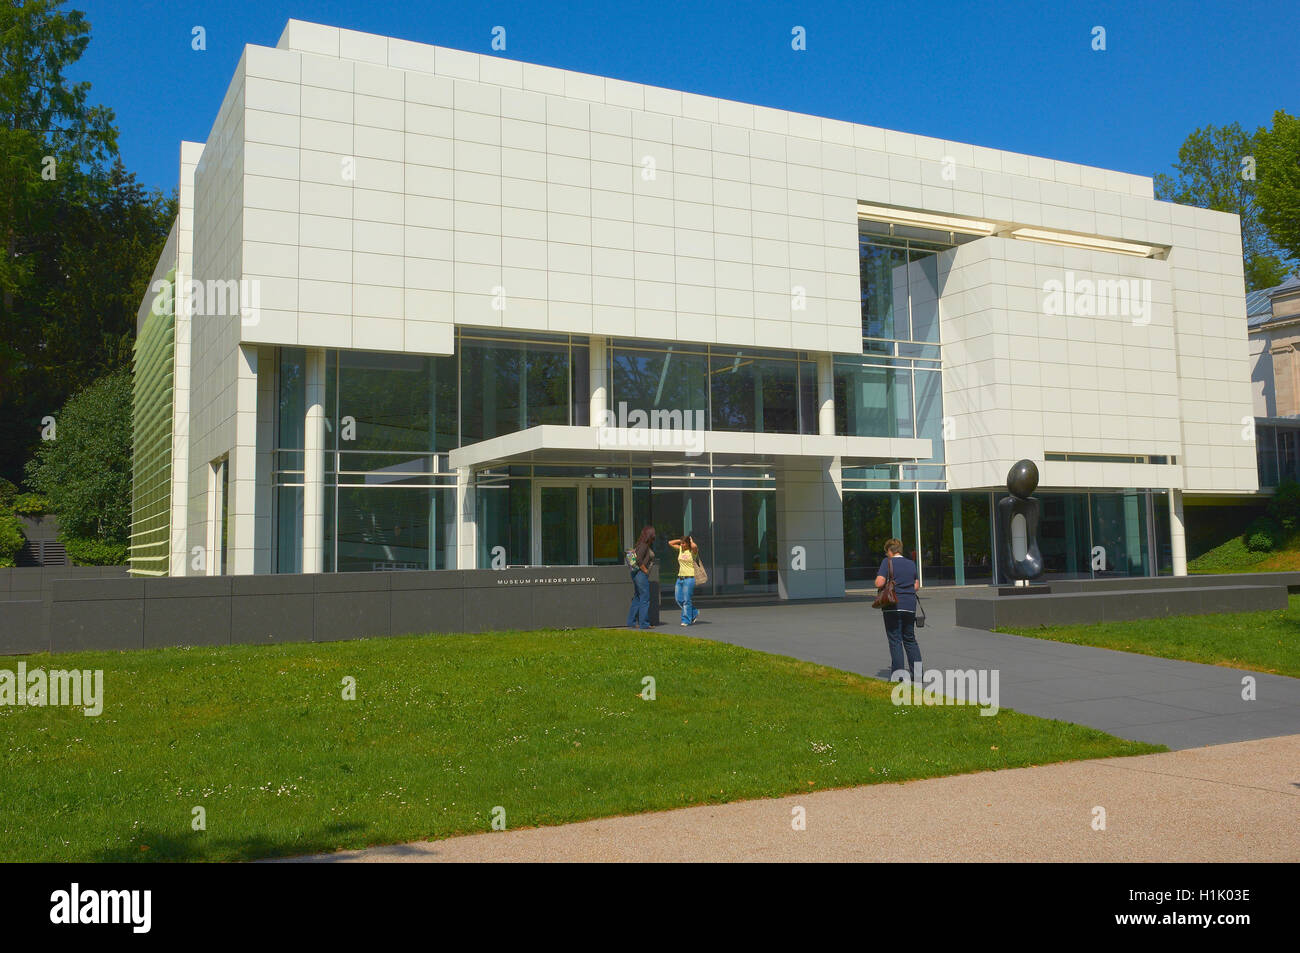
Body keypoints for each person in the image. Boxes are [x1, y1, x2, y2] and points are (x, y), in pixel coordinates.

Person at [875, 537, 922, 680]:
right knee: (910, 639)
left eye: (886, 552)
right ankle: (918, 674)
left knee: (895, 640)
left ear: (890, 550)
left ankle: (898, 676)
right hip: (909, 605)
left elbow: (879, 582)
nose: (886, 555)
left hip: (893, 605)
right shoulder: (911, 564)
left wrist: (879, 581)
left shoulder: (887, 562)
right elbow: (916, 586)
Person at [627, 525, 656, 630]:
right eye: (653, 533)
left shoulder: (640, 544)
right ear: (650, 534)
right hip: (640, 574)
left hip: (635, 574)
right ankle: (644, 623)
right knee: (645, 598)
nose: (655, 535)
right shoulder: (644, 545)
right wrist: (645, 570)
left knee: (637, 597)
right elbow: (639, 559)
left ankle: (631, 622)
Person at [668, 534, 702, 626]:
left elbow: (695, 546)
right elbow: (670, 543)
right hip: (680, 578)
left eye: (684, 543)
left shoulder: (692, 551)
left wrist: (691, 541)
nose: (682, 545)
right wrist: (680, 540)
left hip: (689, 578)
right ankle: (694, 612)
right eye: (681, 543)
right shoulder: (680, 550)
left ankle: (686, 620)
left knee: (687, 600)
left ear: (688, 544)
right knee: (678, 599)